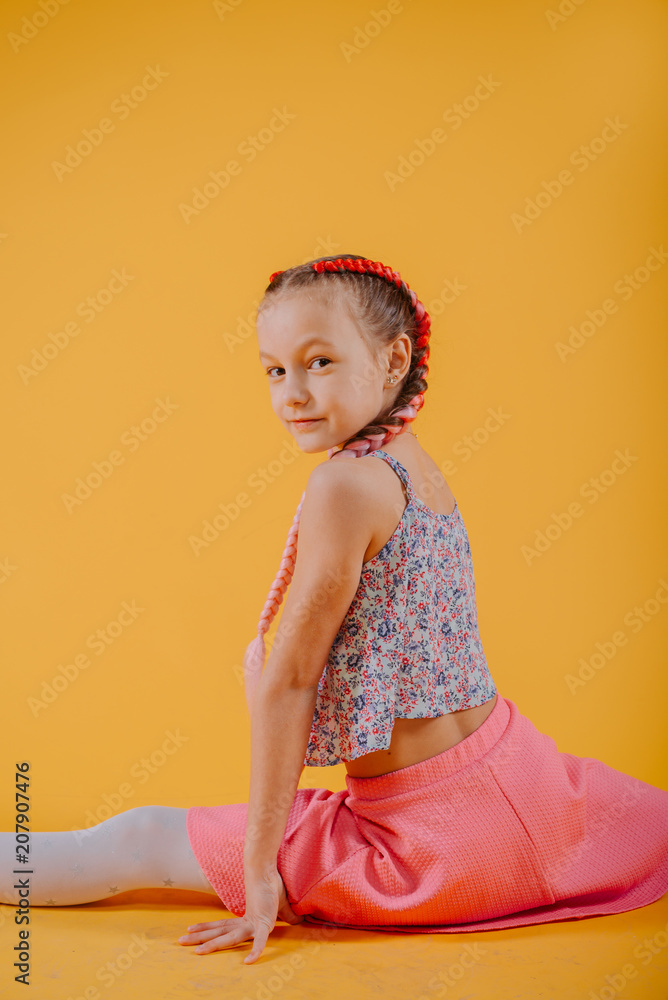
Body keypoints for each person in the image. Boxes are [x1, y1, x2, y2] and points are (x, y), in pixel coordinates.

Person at [2, 255, 667, 968]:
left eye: (318, 362)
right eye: (274, 370)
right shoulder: (414, 463)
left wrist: (259, 872)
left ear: (394, 359)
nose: (292, 393)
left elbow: (292, 682)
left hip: (427, 847)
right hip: (534, 796)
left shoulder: (345, 487)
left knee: (139, 840)